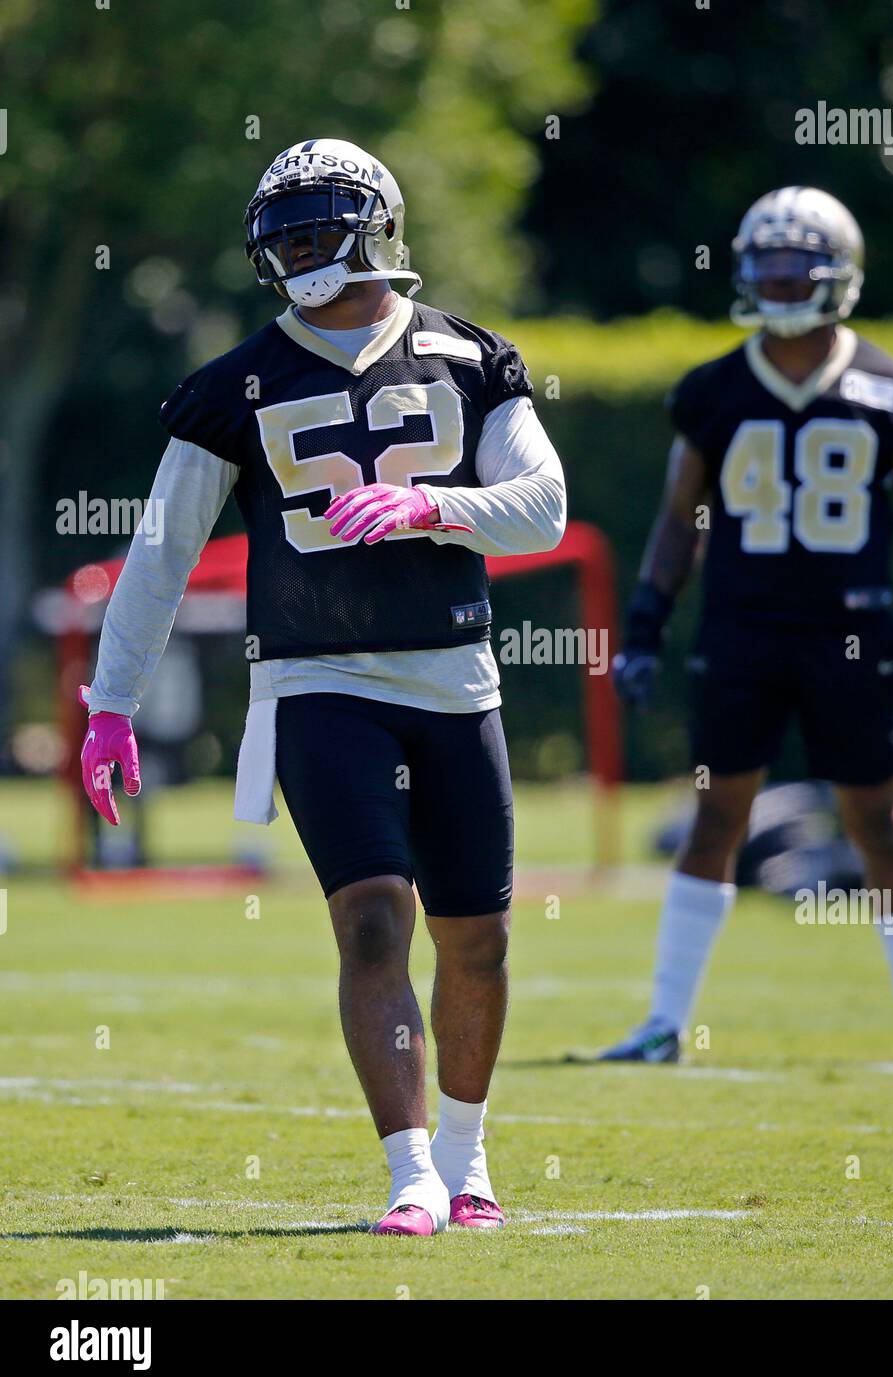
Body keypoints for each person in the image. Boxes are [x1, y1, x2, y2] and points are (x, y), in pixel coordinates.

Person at [79, 138, 567, 1234]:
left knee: (475, 937)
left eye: (321, 220)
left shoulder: (468, 356)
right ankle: (408, 1172)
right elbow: (159, 553)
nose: (301, 243)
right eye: (285, 226)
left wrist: (433, 506)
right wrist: (110, 704)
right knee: (370, 926)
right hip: (317, 683)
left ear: (377, 222)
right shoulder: (233, 386)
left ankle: (465, 1152)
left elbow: (542, 505)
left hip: (455, 679)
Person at [601, 186, 893, 1068]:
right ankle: (665, 1023)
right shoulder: (710, 391)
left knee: (877, 822)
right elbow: (680, 523)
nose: (778, 283)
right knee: (716, 820)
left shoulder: (892, 389)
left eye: (796, 267)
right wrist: (642, 630)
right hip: (741, 633)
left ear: (838, 274)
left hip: (851, 635)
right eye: (765, 265)